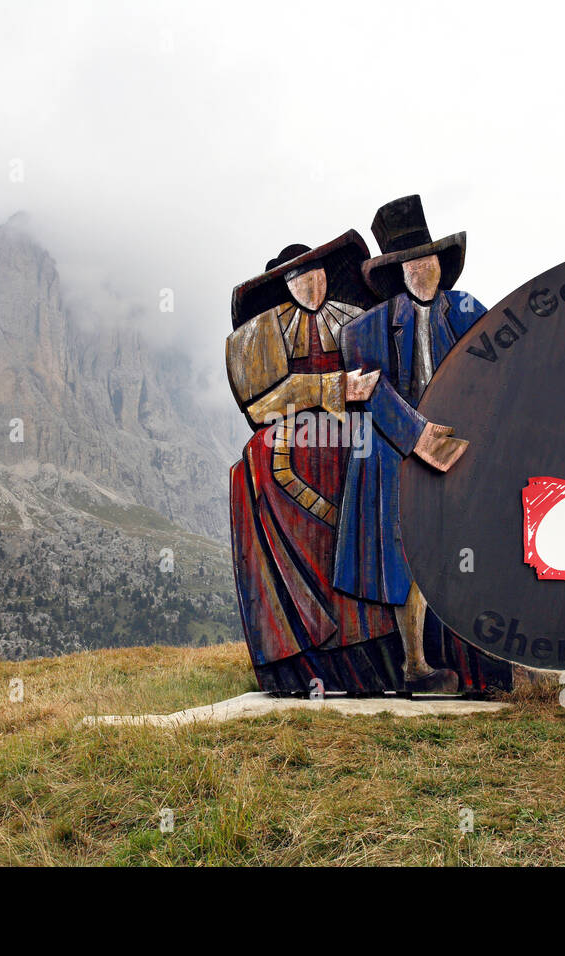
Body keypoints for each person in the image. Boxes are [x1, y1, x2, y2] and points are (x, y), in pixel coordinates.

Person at [226, 231, 402, 694]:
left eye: (319, 272)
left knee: (367, 498)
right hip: (291, 442)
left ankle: (370, 653)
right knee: (259, 460)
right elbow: (259, 402)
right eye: (302, 276)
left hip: (349, 439)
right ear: (287, 284)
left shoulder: (354, 319)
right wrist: (328, 390)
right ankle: (296, 647)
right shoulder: (263, 332)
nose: (313, 283)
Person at [334, 196, 485, 692]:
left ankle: (486, 655)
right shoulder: (363, 331)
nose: (424, 270)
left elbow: (495, 372)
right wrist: (417, 438)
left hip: (458, 449)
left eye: (431, 260)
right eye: (413, 263)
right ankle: (414, 664)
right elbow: (370, 390)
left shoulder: (469, 315)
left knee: (473, 543)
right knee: (407, 551)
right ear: (399, 273)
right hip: (395, 452)